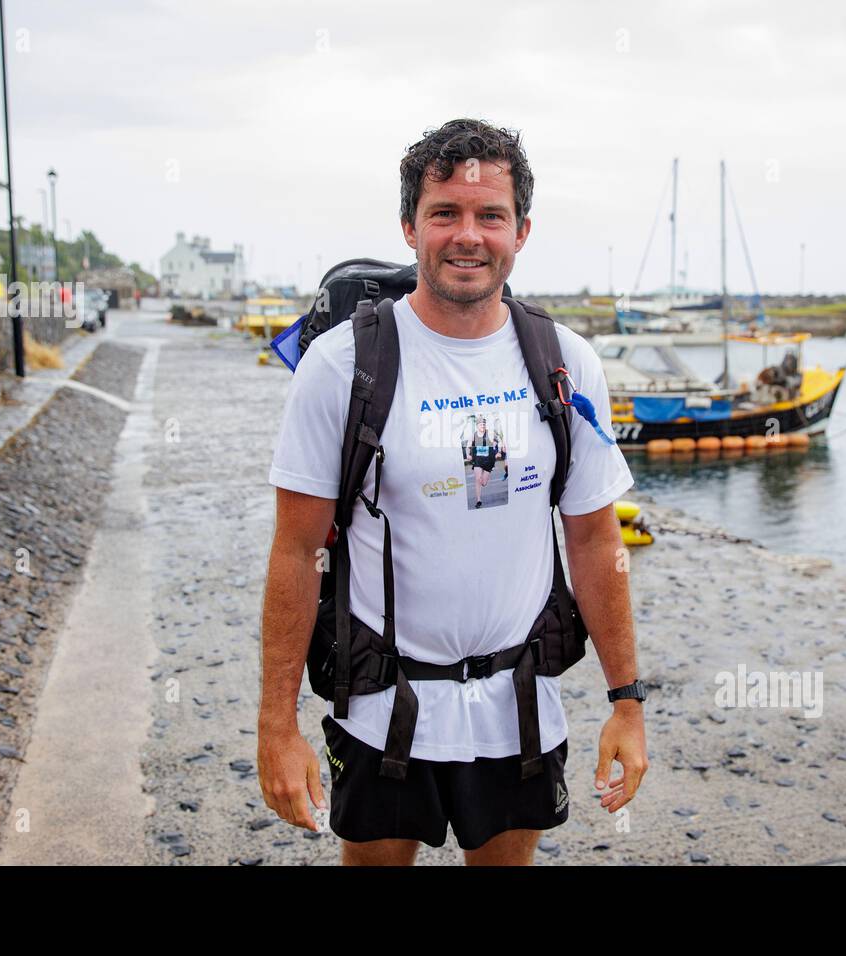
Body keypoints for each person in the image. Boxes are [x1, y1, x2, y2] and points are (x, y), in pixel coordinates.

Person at [258, 118, 647, 866]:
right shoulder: (342, 367)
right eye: (445, 214)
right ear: (410, 227)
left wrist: (627, 701)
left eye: (489, 216)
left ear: (521, 231)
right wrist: (278, 723)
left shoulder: (566, 363)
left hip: (519, 708)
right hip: (380, 708)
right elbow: (296, 549)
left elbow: (596, 541)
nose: (468, 236)